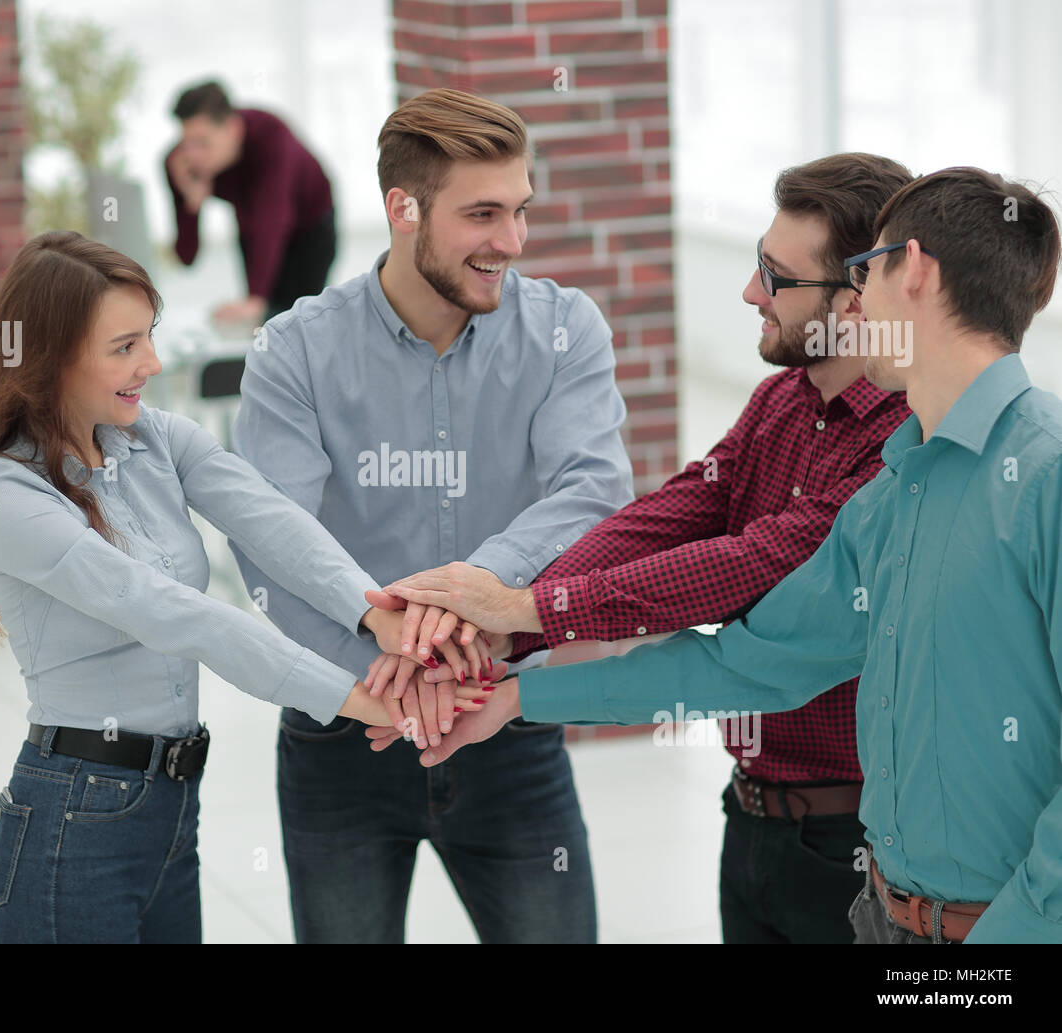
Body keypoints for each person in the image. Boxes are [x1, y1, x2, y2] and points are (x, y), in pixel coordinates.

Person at [399, 167, 1062, 944]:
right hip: (882, 918)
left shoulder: (1043, 479)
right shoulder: (892, 490)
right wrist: (515, 697)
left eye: (866, 272)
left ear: (911, 270)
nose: (859, 299)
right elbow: (747, 664)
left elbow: (742, 565)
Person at [0, 231, 478, 944]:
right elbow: (177, 615)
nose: (152, 364)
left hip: (169, 805)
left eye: (149, 338)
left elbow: (273, 524)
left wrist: (378, 616)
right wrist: (359, 698)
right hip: (73, 822)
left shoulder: (155, 439)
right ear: (53, 355)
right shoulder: (9, 495)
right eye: (124, 347)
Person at [229, 88, 633, 943]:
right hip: (343, 731)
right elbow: (271, 542)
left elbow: (592, 493)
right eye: (483, 214)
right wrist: (385, 655)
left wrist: (470, 598)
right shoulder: (294, 351)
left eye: (520, 211)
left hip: (510, 722)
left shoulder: (565, 330)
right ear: (401, 208)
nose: (512, 242)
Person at [164, 81, 336, 324]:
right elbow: (186, 256)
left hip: (310, 225)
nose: (193, 155)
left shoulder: (271, 137)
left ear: (233, 130)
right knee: (261, 321)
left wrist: (255, 299)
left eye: (203, 143)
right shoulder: (180, 163)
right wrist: (191, 205)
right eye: (187, 142)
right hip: (252, 222)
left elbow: (272, 220)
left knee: (297, 319)